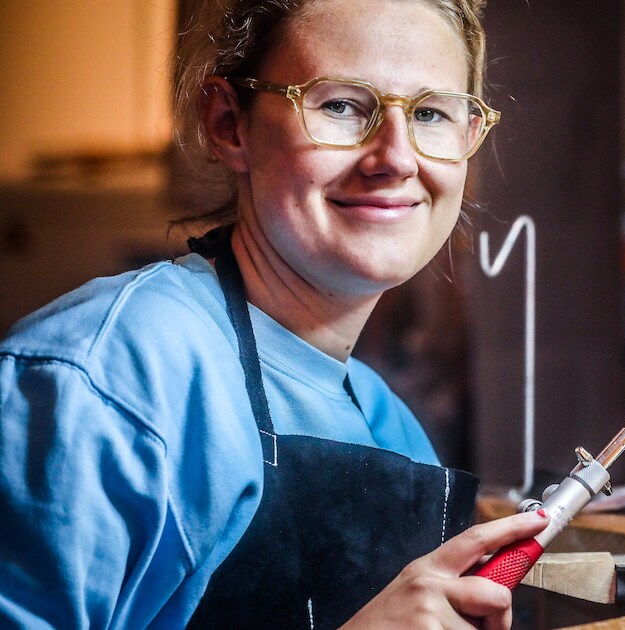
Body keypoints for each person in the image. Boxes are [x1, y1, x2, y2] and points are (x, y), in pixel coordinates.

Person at [0, 0, 548, 627]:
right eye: (341, 105)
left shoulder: (389, 424)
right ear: (229, 123)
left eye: (429, 114)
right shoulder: (108, 373)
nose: (395, 157)